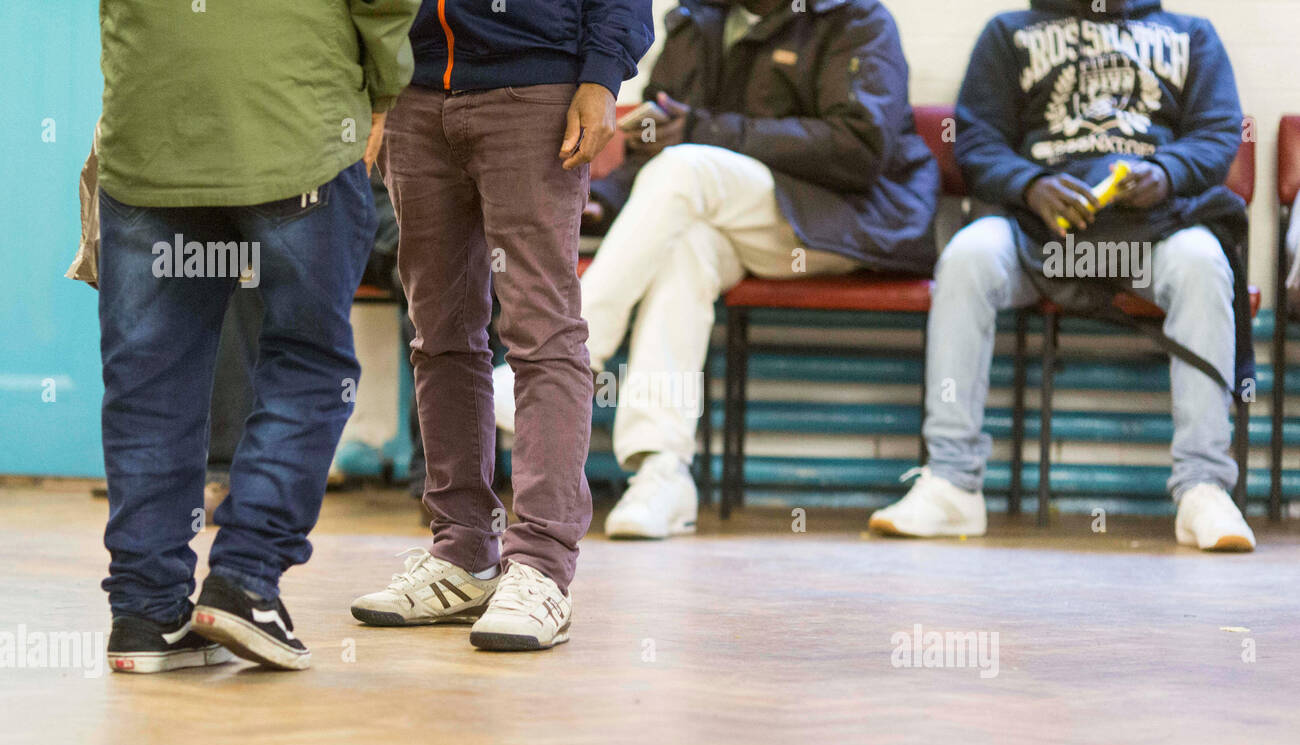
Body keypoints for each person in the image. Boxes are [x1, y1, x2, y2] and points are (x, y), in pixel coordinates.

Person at [493, 0, 940, 539]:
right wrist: (608, 199)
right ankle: (663, 473)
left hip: (847, 222)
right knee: (685, 247)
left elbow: (859, 150)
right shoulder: (695, 20)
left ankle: (563, 365)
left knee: (686, 167)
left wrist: (701, 131)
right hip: (735, 221)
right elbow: (657, 145)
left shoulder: (855, 19)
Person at [98, 0, 420, 673]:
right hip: (294, 115)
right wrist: (385, 88)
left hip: (151, 115)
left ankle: (144, 610)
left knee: (148, 379)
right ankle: (245, 578)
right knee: (307, 361)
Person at [869, 0, 1257, 551]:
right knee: (965, 257)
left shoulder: (1192, 35)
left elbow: (1219, 136)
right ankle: (952, 481)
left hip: (1154, 232)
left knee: (1203, 261)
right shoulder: (1008, 33)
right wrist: (1030, 184)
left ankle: (1204, 488)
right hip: (1037, 235)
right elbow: (976, 142)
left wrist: (1167, 172)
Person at [349, 0, 654, 649]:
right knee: (439, 334)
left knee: (542, 334)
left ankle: (542, 564)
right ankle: (463, 551)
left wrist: (602, 77)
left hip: (536, 90)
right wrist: (374, 84)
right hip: (415, 92)